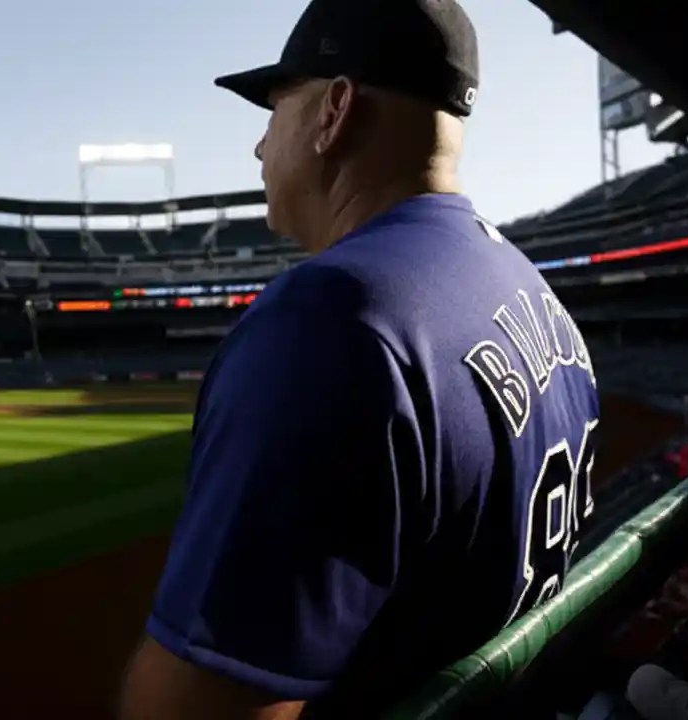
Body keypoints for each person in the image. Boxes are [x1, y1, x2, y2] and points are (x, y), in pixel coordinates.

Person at [118, 1, 601, 717]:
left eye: (274, 108)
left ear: (333, 111)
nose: (258, 147)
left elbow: (200, 708)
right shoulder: (534, 292)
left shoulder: (332, 316)